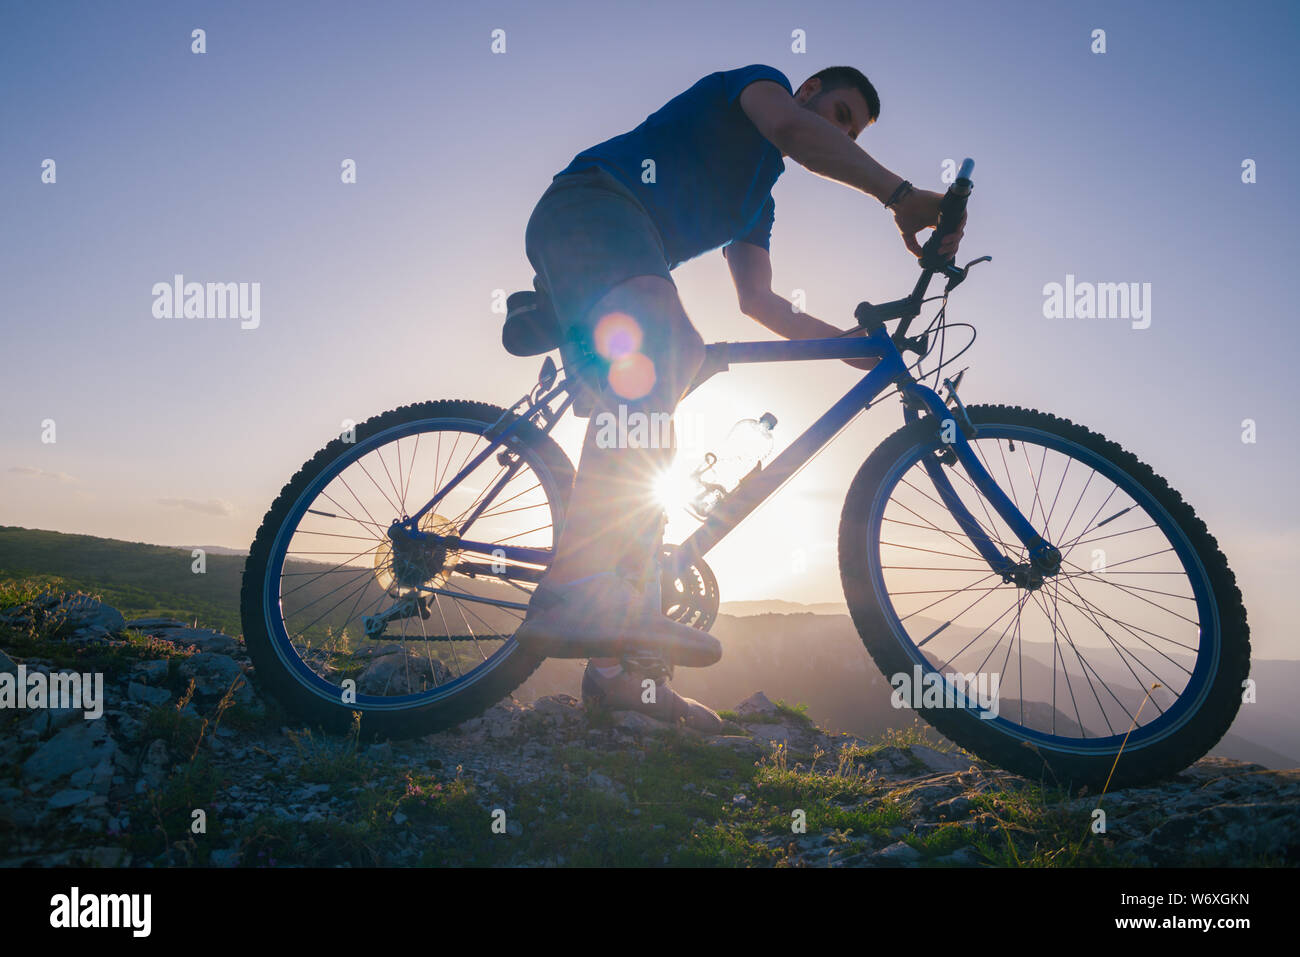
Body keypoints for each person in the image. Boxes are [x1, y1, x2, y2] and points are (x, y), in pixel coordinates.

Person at [515, 64, 965, 731]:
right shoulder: (761, 86)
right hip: (593, 206)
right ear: (809, 89)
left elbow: (760, 302)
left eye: (850, 128)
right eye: (839, 114)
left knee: (669, 387)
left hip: (621, 251)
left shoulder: (760, 201)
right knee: (666, 348)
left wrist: (852, 347)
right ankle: (577, 586)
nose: (837, 130)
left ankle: (617, 673)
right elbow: (789, 126)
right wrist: (899, 194)